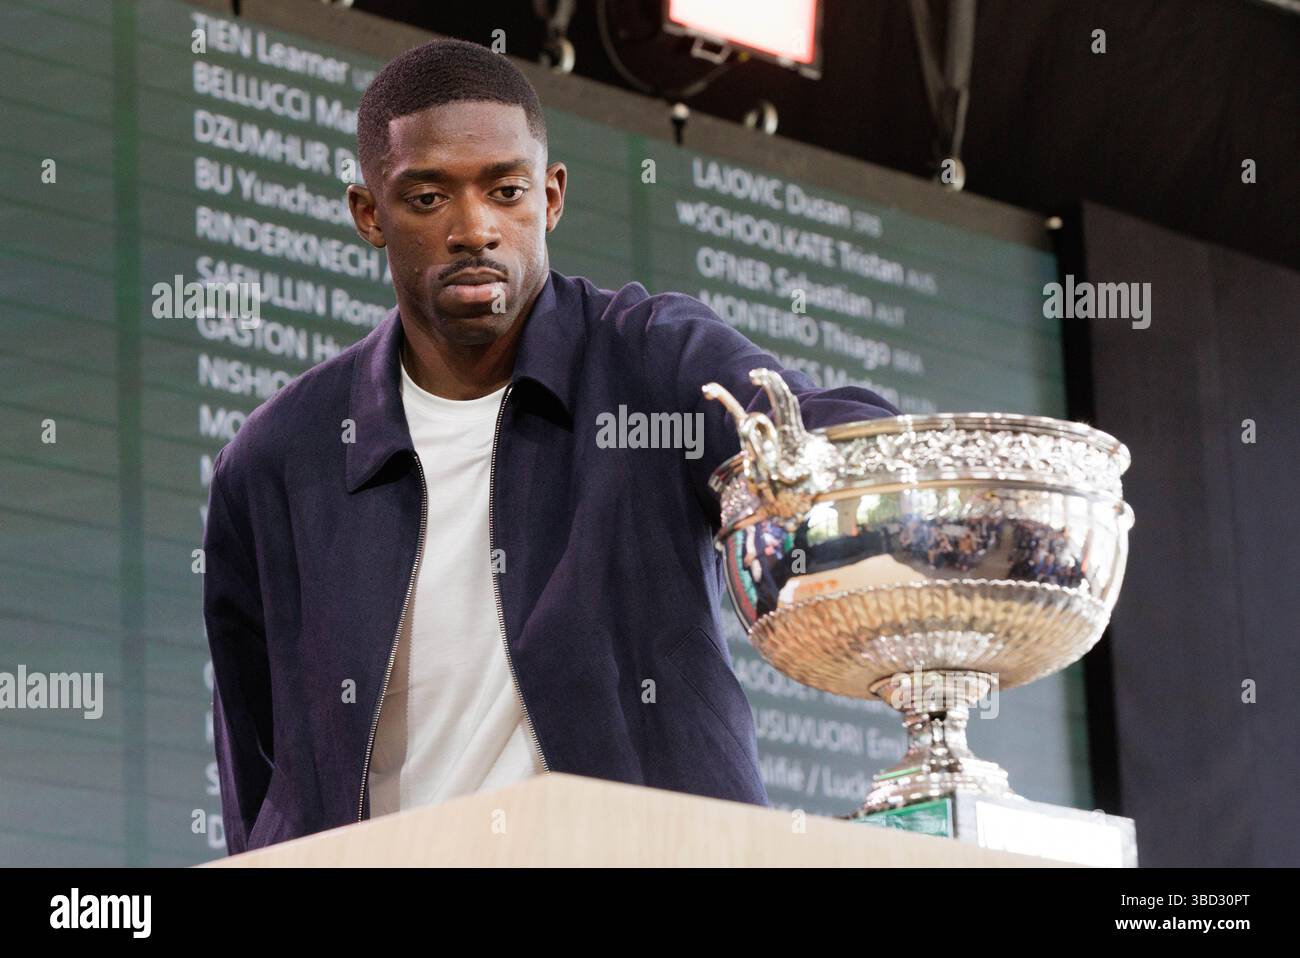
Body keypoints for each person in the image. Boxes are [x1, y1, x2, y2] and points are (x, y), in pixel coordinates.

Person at [202, 38, 899, 855]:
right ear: (369, 214)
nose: (475, 230)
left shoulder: (652, 360)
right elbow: (255, 769)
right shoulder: (280, 457)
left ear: (552, 195)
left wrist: (862, 467)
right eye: (427, 199)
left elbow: (819, 427)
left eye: (506, 191)